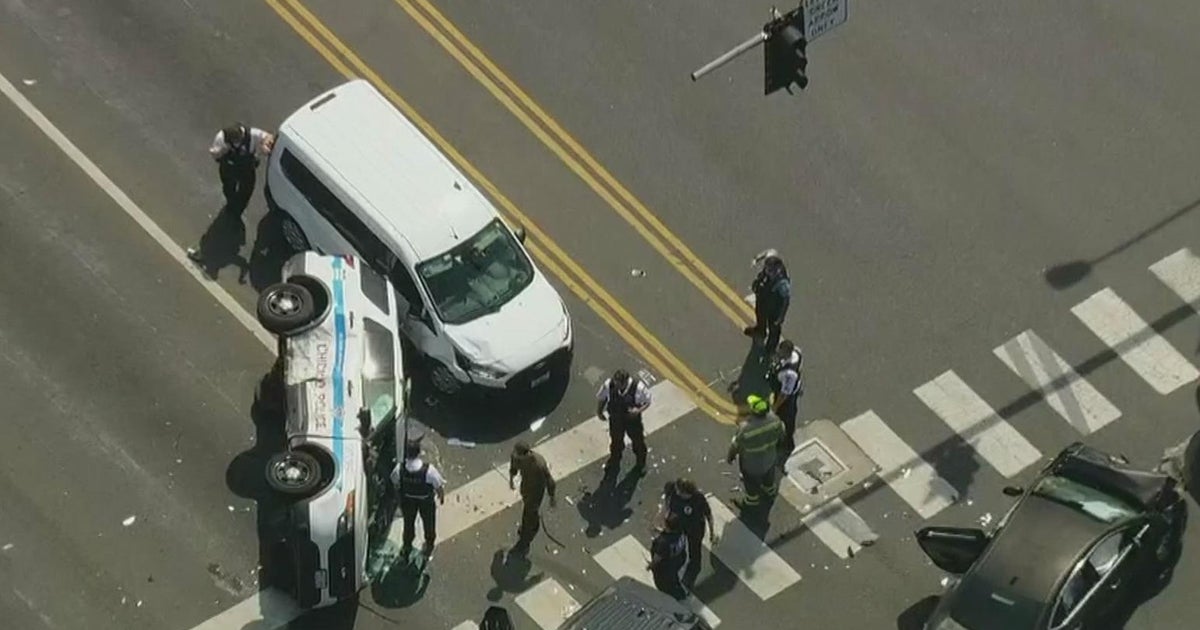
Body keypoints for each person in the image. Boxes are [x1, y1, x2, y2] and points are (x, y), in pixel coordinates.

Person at [726, 395, 786, 510]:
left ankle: (752, 500)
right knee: (769, 475)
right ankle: (770, 489)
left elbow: (735, 446)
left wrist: (730, 457)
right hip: (769, 458)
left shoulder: (745, 429)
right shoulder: (774, 420)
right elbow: (782, 435)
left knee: (751, 482)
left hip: (751, 464)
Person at [390, 438, 446, 557]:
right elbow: (438, 486)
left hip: (408, 501)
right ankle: (429, 544)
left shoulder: (400, 469)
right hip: (426, 502)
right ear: (419, 453)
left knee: (408, 523)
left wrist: (399, 499)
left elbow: (395, 483)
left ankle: (407, 544)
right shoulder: (429, 470)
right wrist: (441, 497)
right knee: (429, 523)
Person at [658, 478, 716, 590]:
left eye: (681, 492)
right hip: (677, 527)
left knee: (695, 553)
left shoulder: (698, 499)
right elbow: (668, 500)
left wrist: (712, 532)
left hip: (694, 530)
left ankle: (690, 577)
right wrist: (665, 516)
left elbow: (708, 515)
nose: (678, 493)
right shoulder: (673, 489)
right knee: (674, 548)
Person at [208, 122, 274, 216]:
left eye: (237, 141)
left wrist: (265, 144)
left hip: (246, 168)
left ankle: (239, 209)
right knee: (228, 187)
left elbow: (268, 136)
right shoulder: (221, 138)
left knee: (246, 190)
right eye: (233, 142)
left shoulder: (252, 134)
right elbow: (215, 155)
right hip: (229, 168)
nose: (236, 144)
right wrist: (221, 152)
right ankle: (230, 206)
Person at [596, 369, 652, 472]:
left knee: (638, 442)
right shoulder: (609, 384)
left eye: (619, 385)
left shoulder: (638, 388)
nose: (617, 387)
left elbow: (647, 401)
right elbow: (602, 398)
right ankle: (614, 461)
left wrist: (637, 411)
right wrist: (599, 411)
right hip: (616, 419)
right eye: (616, 384)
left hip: (632, 421)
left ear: (625, 382)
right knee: (616, 442)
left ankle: (641, 463)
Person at [508, 441, 557, 556]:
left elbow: (550, 481)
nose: (514, 455)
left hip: (536, 490)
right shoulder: (516, 457)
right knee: (528, 508)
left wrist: (552, 496)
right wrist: (511, 480)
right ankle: (530, 524)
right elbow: (513, 467)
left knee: (529, 512)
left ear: (525, 454)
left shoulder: (538, 464)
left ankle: (527, 534)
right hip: (526, 486)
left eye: (517, 454)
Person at [743, 252, 791, 353]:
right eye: (767, 268)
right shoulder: (771, 260)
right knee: (760, 315)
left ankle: (771, 347)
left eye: (770, 270)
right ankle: (760, 331)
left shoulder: (782, 283)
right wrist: (756, 258)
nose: (768, 272)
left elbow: (786, 301)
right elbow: (768, 252)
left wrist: (781, 317)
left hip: (774, 306)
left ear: (777, 269)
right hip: (763, 299)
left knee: (773, 326)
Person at [770, 340, 805, 459]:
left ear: (787, 353)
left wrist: (775, 407)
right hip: (792, 386)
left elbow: (784, 394)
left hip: (787, 398)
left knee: (786, 418)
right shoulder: (797, 352)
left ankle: (786, 443)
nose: (778, 353)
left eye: (781, 352)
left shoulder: (790, 374)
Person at [648, 513, 689, 600]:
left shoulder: (663, 543)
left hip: (665, 568)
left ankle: (675, 597)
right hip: (678, 559)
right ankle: (680, 590)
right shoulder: (681, 530)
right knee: (673, 578)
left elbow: (657, 559)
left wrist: (650, 566)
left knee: (663, 585)